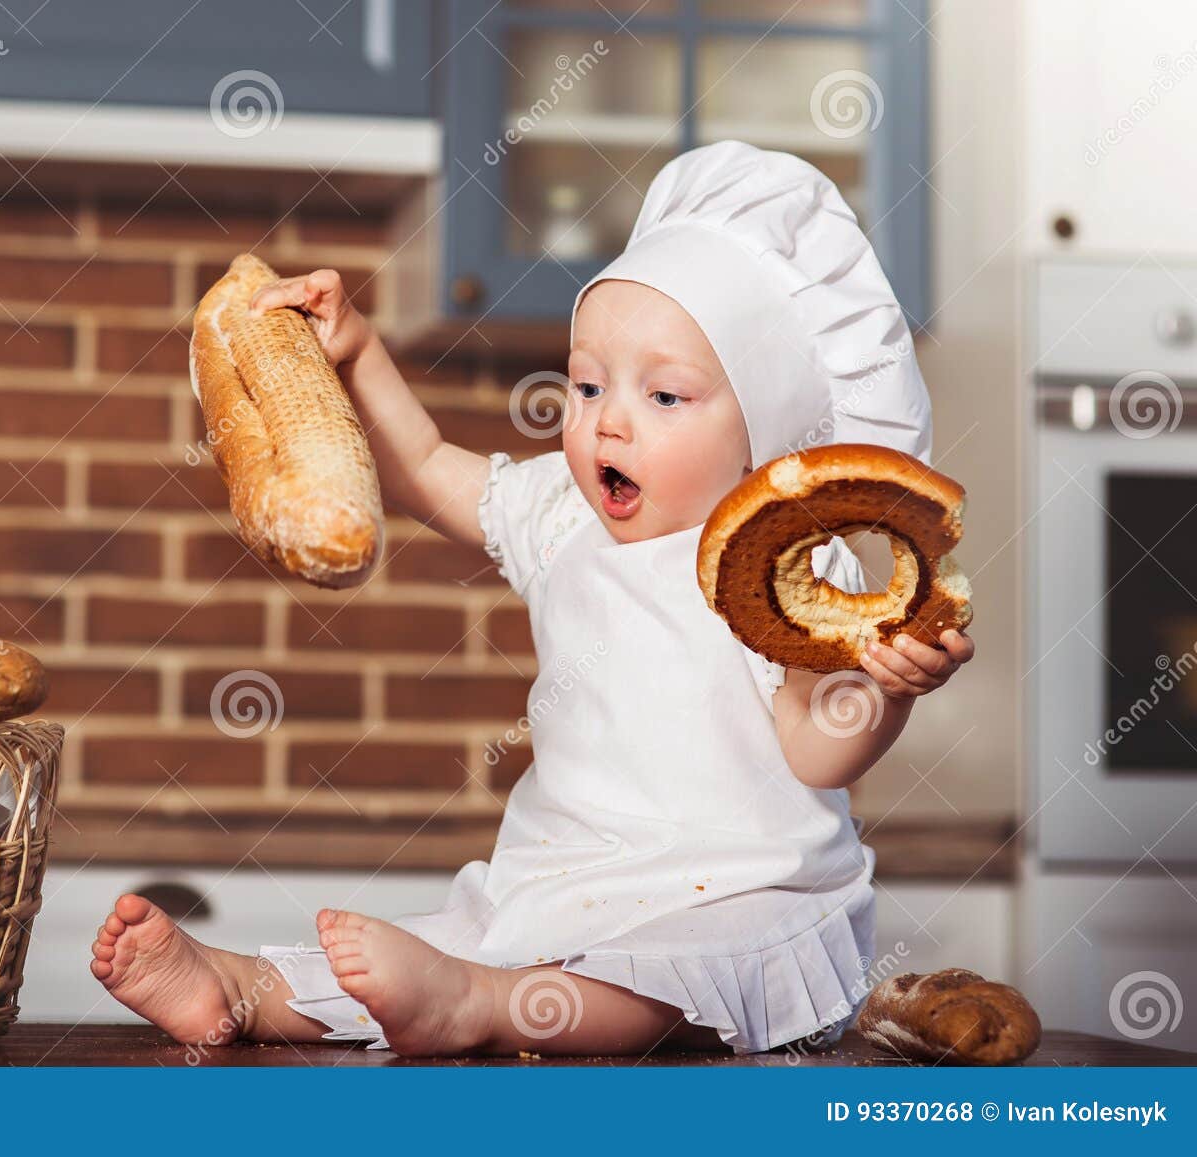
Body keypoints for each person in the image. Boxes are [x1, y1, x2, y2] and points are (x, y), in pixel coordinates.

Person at [89, 141, 975, 1058]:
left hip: (745, 891)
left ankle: (476, 1006)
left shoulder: (791, 564)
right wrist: (356, 353)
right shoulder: (563, 514)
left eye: (665, 394)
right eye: (588, 383)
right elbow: (430, 468)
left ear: (768, 436)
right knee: (458, 936)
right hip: (567, 872)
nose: (609, 419)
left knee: (657, 977)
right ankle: (242, 985)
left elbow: (815, 749)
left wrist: (886, 688)